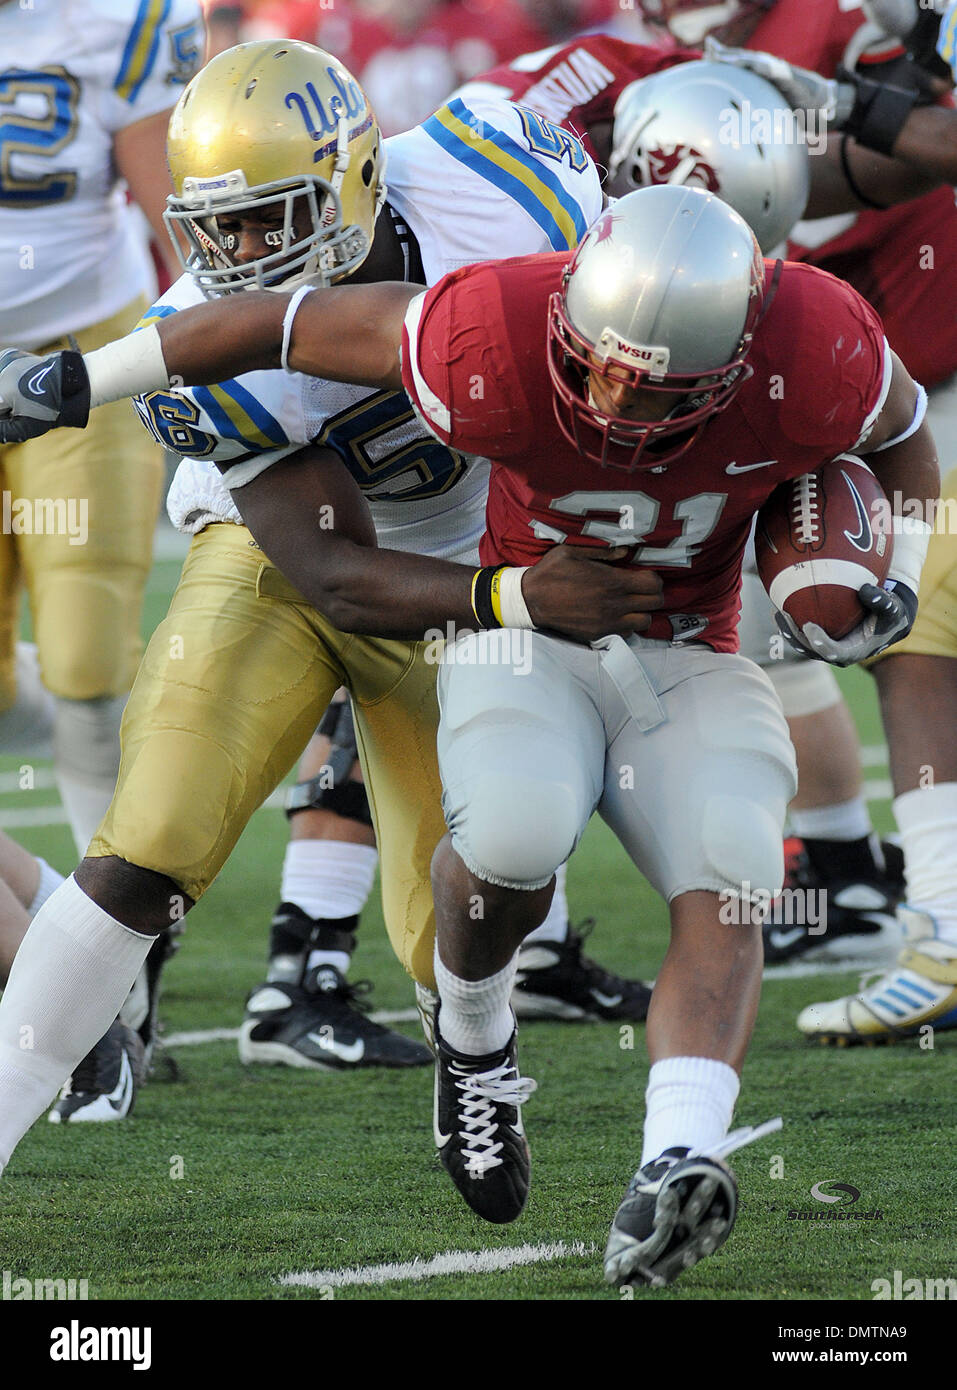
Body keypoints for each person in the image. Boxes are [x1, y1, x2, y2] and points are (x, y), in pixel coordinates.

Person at [0, 185, 938, 1288]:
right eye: (597, 363)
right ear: (571, 308)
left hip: (688, 644)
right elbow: (267, 325)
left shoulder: (818, 342)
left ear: (739, 349)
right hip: (513, 623)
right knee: (510, 836)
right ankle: (477, 1034)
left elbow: (911, 437)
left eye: (658, 385)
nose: (616, 402)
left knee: (732, 868)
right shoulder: (484, 322)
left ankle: (676, 1153)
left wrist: (896, 583)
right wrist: (75, 379)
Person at [0, 39, 676, 1167]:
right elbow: (333, 575)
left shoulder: (500, 175)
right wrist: (512, 595)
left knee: (480, 897)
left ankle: (471, 1042)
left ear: (358, 177)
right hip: (315, 568)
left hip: (480, 565)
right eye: (221, 226)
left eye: (274, 219)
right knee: (147, 838)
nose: (244, 254)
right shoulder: (202, 345)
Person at [0, 0, 204, 1120]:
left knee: (83, 662)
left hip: (79, 363)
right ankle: (53, 909)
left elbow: (170, 208)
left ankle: (113, 962)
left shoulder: (114, 18)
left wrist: (200, 363)